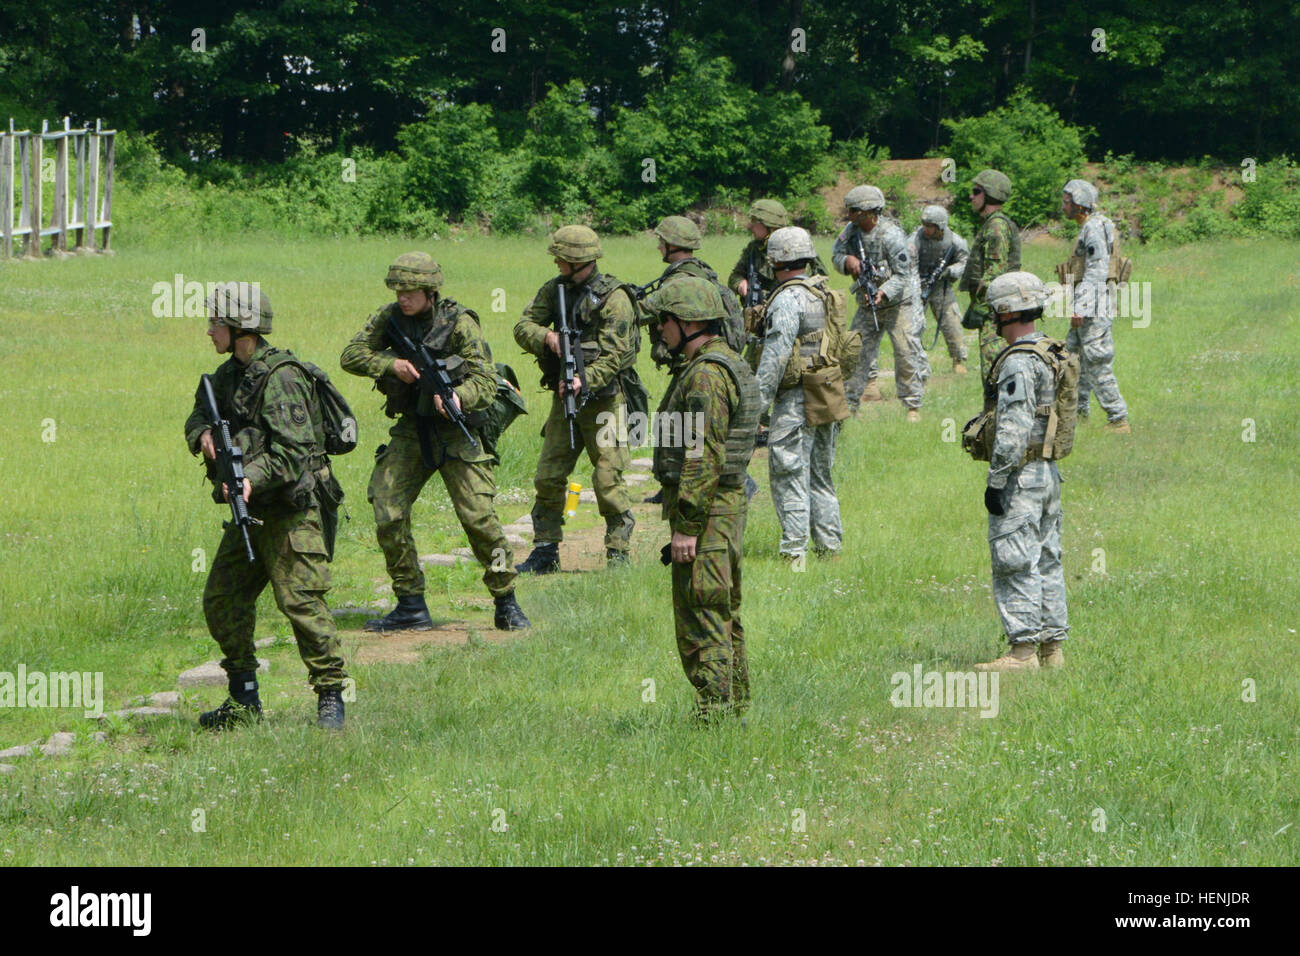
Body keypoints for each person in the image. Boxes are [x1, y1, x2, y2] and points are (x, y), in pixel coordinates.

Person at [184, 282, 349, 730]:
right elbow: (199, 414)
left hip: (291, 511)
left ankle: (331, 698)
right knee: (223, 599)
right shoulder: (227, 376)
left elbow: (294, 453)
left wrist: (248, 478)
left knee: (300, 602)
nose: (209, 331)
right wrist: (201, 435)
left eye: (215, 322)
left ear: (242, 328)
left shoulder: (281, 378)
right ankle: (244, 700)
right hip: (250, 512)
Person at [340, 252, 529, 633]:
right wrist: (390, 366)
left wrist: (459, 397)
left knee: (479, 518)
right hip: (413, 428)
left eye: (410, 290)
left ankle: (505, 599)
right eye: (397, 290)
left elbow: (486, 379)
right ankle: (410, 604)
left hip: (457, 431)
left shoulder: (459, 323)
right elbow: (351, 354)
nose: (402, 297)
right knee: (387, 506)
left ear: (430, 291)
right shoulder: (388, 318)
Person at [643, 277, 759, 720]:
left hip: (707, 511)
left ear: (686, 323)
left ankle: (714, 714)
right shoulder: (724, 363)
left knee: (704, 611)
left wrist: (687, 525)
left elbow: (702, 455)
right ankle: (734, 707)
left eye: (665, 322)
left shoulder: (707, 375)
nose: (660, 331)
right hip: (722, 505)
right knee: (721, 608)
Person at [513, 225, 641, 572]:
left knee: (607, 478)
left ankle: (618, 552)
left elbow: (617, 357)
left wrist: (584, 381)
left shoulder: (615, 298)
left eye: (560, 258)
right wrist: (547, 338)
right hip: (564, 399)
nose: (555, 262)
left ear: (576, 259)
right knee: (549, 476)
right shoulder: (554, 290)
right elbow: (523, 325)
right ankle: (545, 550)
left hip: (605, 401)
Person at [970, 271, 1073, 672]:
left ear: (1005, 312)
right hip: (1047, 474)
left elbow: (1012, 428)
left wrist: (996, 481)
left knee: (1014, 560)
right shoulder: (1049, 351)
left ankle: (1023, 653)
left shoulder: (1017, 361)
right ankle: (1052, 650)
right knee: (1047, 558)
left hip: (1022, 476)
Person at [753, 227, 844, 559]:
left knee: (789, 474)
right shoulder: (819, 291)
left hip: (796, 399)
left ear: (774, 259)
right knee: (820, 476)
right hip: (826, 392)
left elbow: (775, 357)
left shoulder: (787, 299)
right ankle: (830, 549)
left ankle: (794, 555)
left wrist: (757, 408)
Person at [727, 199, 828, 445]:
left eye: (756, 223)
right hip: (759, 324)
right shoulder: (753, 250)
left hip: (790, 319)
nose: (751, 226)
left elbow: (819, 278)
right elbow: (734, 276)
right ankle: (755, 422)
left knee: (788, 370)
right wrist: (741, 284)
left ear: (769, 226)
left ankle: (787, 421)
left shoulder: (794, 245)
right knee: (752, 372)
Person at [832, 185, 924, 420]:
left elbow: (903, 275)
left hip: (898, 304)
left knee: (905, 352)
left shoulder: (891, 236)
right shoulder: (850, 232)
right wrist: (847, 261)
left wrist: (883, 292)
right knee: (855, 351)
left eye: (852, 210)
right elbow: (836, 255)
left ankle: (912, 406)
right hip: (866, 303)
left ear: (866, 212)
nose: (848, 214)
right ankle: (848, 406)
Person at [1060, 179, 1130, 433]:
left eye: (1067, 202)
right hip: (1089, 305)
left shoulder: (1093, 229)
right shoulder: (1091, 227)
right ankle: (1078, 415)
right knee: (1072, 360)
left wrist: (1082, 307)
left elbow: (1097, 270)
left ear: (1080, 205)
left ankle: (1118, 418)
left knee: (1097, 362)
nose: (1063, 207)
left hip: (1093, 309)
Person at [959, 169, 1021, 380]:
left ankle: (994, 410)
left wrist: (981, 306)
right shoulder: (992, 224)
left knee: (994, 366)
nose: (971, 196)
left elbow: (995, 271)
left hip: (994, 310)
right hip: (994, 307)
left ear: (990, 195)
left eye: (976, 191)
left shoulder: (996, 226)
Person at [909, 204, 970, 374]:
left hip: (941, 286)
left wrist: (950, 271)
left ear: (940, 226)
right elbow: (908, 263)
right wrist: (916, 287)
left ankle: (958, 360)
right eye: (925, 225)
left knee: (952, 322)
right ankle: (914, 361)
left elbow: (965, 262)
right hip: (917, 286)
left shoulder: (954, 241)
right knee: (913, 324)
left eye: (930, 226)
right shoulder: (915, 239)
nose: (926, 229)